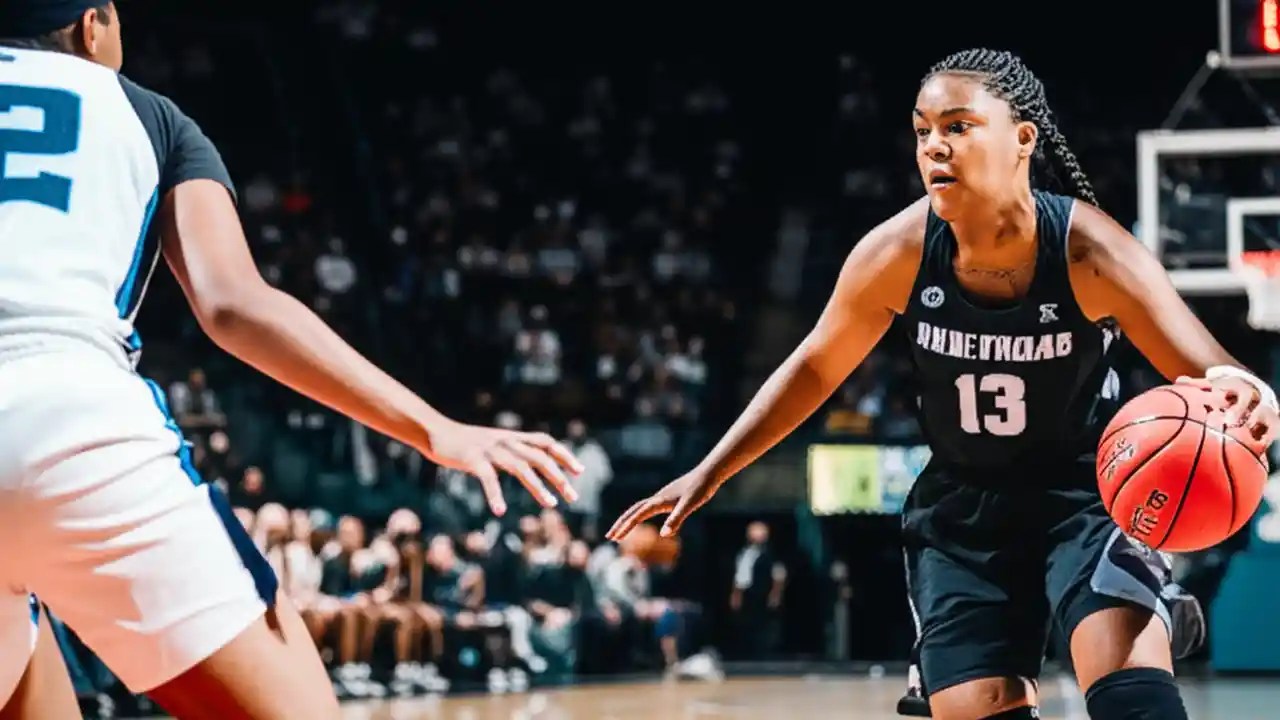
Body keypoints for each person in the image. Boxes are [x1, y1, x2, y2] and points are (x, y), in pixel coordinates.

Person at [608, 48, 1279, 720]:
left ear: (1023, 139)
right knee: (981, 705)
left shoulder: (1090, 251)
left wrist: (1249, 398)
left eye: (958, 126)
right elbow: (816, 366)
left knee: (1132, 695)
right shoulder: (896, 253)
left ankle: (1147, 604)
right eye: (922, 130)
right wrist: (713, 468)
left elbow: (1215, 370)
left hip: (1087, 494)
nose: (934, 146)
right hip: (964, 510)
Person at [0, 3, 582, 719]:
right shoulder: (148, 114)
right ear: (93, 27)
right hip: (70, 419)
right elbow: (233, 305)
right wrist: (435, 428)